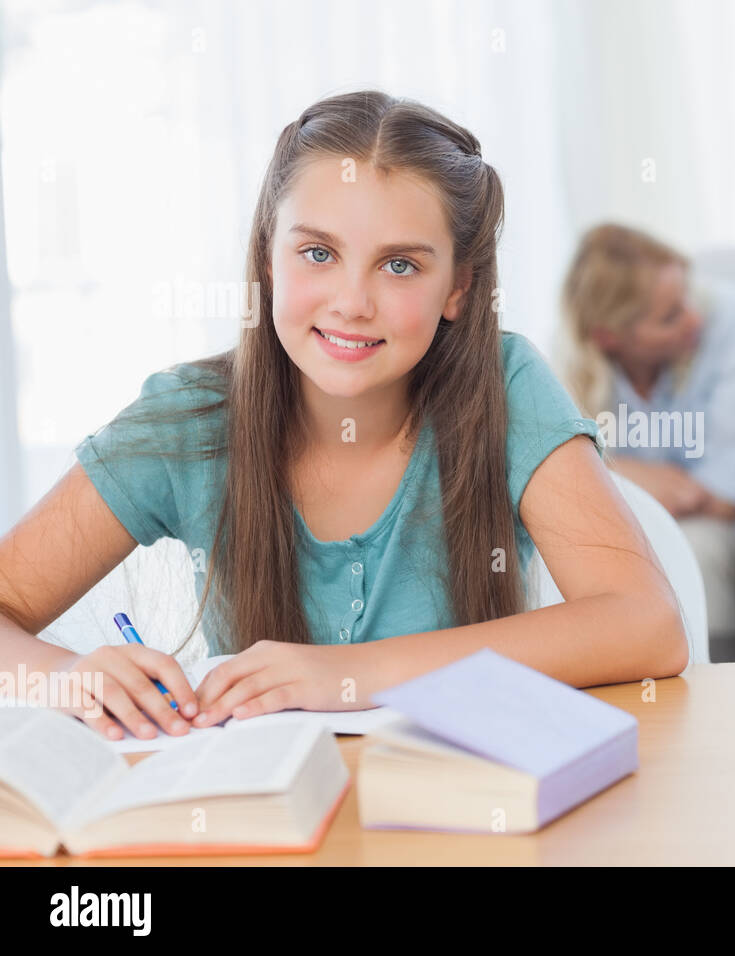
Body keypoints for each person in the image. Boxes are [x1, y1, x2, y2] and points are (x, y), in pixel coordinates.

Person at [0, 91, 687, 742]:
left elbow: (647, 624)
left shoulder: (506, 387)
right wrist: (62, 677)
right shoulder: (191, 419)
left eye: (399, 266)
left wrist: (353, 675)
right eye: (319, 254)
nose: (352, 303)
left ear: (459, 287)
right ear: (268, 259)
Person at [559, 223, 735, 642]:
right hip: (628, 535)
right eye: (670, 316)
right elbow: (563, 492)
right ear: (609, 338)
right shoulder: (570, 355)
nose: (693, 317)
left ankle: (706, 692)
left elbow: (727, 497)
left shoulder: (728, 315)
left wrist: (611, 475)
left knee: (694, 548)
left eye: (687, 297)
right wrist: (635, 478)